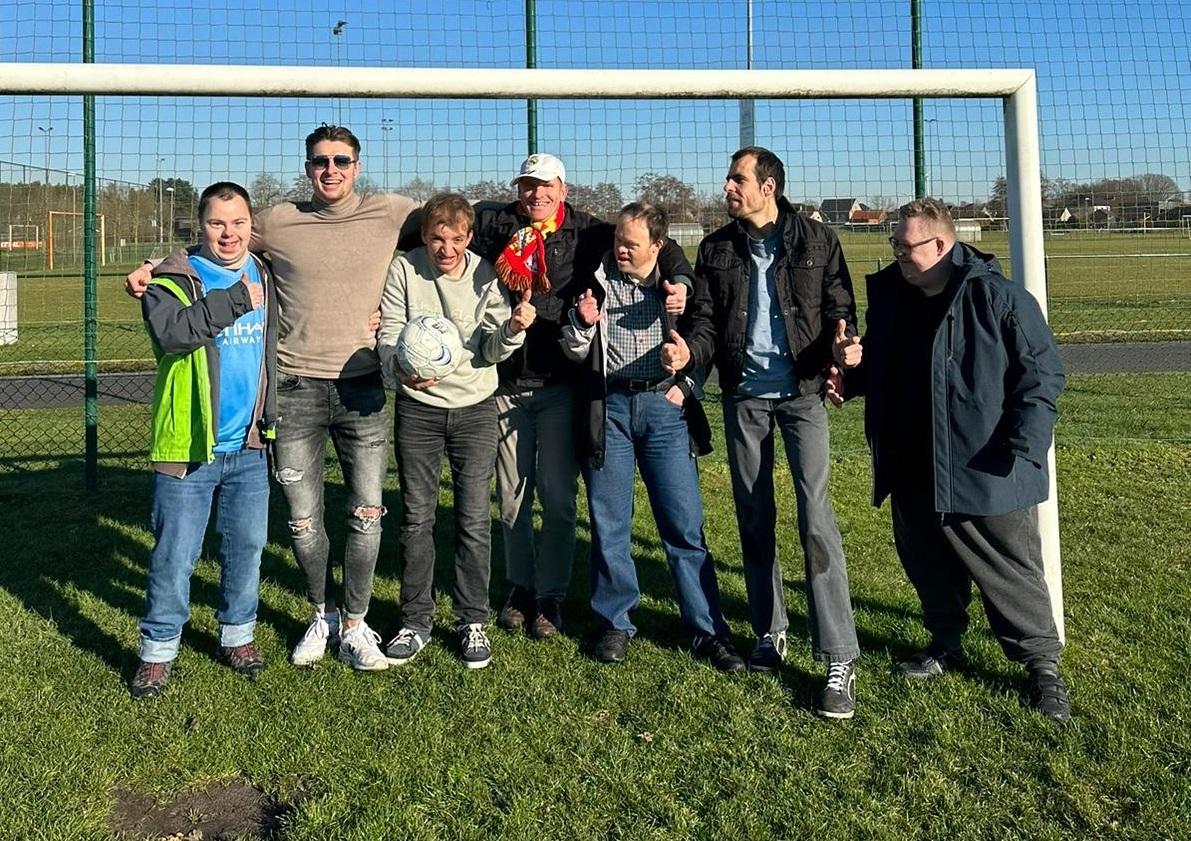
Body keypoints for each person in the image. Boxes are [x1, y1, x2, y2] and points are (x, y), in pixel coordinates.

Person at [127, 125, 419, 671]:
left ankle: (353, 624)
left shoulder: (394, 211)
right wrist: (156, 266)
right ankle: (317, 615)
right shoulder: (279, 223)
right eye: (319, 161)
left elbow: (454, 230)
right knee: (300, 521)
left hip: (359, 390)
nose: (330, 170)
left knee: (364, 515)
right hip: (295, 392)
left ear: (358, 165)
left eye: (341, 160)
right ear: (307, 167)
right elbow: (218, 243)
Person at [827, 197, 1071, 723]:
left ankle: (1042, 669)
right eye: (894, 243)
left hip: (985, 467)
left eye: (904, 245)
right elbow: (889, 367)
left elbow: (1042, 375)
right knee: (927, 563)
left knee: (1010, 571)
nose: (897, 254)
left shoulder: (998, 298)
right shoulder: (893, 297)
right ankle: (945, 642)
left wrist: (1021, 450)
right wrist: (853, 377)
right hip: (911, 461)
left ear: (942, 245)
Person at [470, 154, 691, 639]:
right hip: (506, 383)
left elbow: (657, 243)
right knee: (511, 500)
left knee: (558, 497)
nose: (536, 195)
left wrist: (682, 277)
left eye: (545, 186)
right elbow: (446, 225)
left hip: (561, 384)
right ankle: (520, 589)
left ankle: (550, 594)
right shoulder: (498, 225)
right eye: (528, 186)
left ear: (563, 190)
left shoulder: (589, 232)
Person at [697, 146, 861, 719]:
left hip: (804, 396)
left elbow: (842, 306)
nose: (727, 186)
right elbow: (705, 323)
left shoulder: (817, 239)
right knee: (752, 513)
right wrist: (687, 361)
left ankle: (838, 655)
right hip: (745, 397)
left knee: (815, 516)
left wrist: (844, 348)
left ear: (768, 186)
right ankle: (770, 630)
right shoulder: (715, 247)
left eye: (737, 178)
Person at [559, 202, 744, 671]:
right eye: (618, 240)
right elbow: (574, 350)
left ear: (657, 246)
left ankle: (706, 630)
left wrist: (685, 380)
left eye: (631, 244)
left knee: (683, 526)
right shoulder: (594, 281)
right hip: (611, 409)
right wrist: (581, 324)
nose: (620, 249)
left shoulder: (678, 287)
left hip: (665, 409)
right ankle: (615, 622)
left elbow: (707, 336)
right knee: (609, 523)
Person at [131, 181, 276, 698]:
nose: (229, 233)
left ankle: (237, 635)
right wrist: (236, 300)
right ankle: (158, 650)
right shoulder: (167, 282)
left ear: (251, 226)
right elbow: (174, 336)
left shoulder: (265, 271)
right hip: (188, 447)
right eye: (218, 223)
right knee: (175, 554)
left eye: (238, 222)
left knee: (247, 547)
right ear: (201, 225)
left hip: (250, 446)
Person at [376, 194, 534, 669]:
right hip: (419, 410)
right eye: (436, 238)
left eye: (456, 239)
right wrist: (400, 369)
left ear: (468, 238)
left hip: (475, 408)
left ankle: (472, 621)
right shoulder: (405, 270)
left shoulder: (486, 273)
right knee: (417, 519)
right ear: (424, 236)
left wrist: (512, 330)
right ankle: (415, 620)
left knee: (471, 519)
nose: (446, 249)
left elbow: (489, 349)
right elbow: (387, 333)